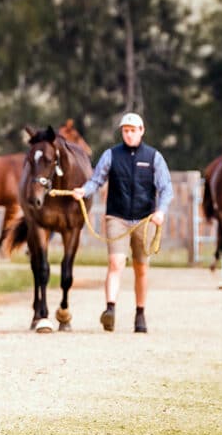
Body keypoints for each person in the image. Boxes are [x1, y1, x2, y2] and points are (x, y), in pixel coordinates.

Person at [67, 112, 174, 334]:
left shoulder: (154, 157)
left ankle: (140, 313)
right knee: (116, 263)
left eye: (133, 130)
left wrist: (160, 211)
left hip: (145, 219)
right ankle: (110, 310)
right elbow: (97, 180)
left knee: (141, 268)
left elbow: (166, 189)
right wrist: (83, 191)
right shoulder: (111, 155)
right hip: (117, 216)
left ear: (142, 131)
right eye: (125, 130)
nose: (129, 134)